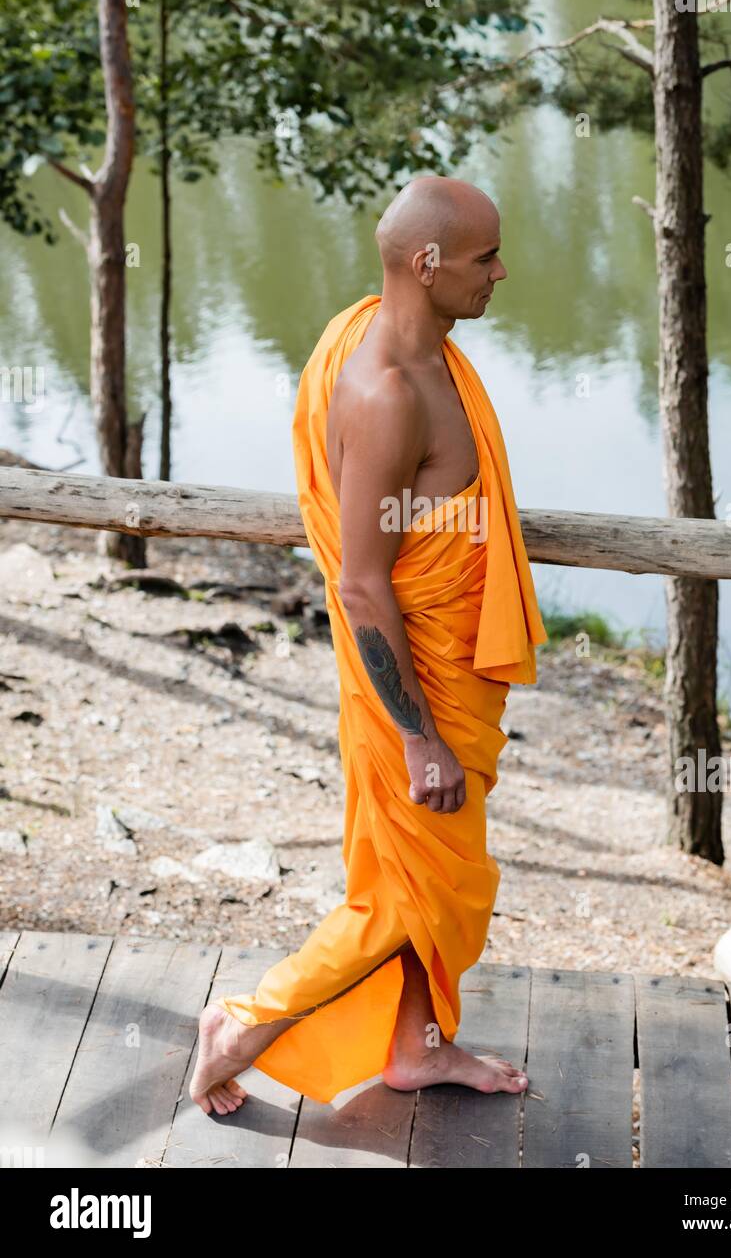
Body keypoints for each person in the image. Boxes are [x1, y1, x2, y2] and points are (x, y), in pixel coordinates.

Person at [189, 175, 547, 1115]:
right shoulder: (384, 390)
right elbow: (359, 580)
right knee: (402, 899)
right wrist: (420, 736)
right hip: (413, 694)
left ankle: (415, 1047)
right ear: (425, 265)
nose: (500, 273)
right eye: (484, 258)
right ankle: (243, 1022)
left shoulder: (387, 332)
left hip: (449, 671)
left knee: (431, 885)